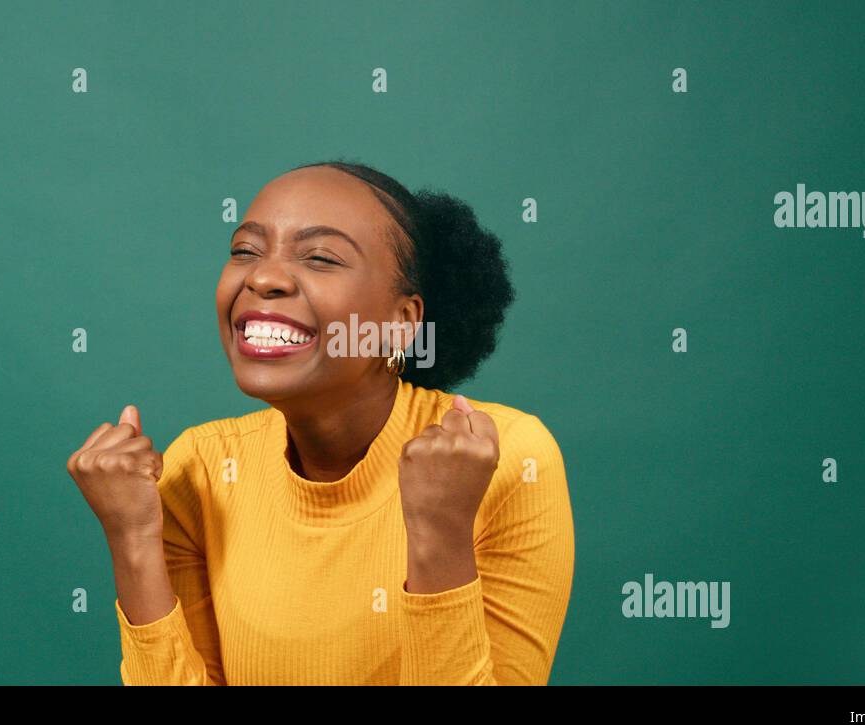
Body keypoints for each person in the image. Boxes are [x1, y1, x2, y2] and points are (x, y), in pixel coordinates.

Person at [67, 160, 574, 684]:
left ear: (402, 323)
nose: (262, 277)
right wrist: (131, 538)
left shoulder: (507, 458)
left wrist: (441, 532)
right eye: (245, 250)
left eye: (320, 257)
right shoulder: (201, 467)